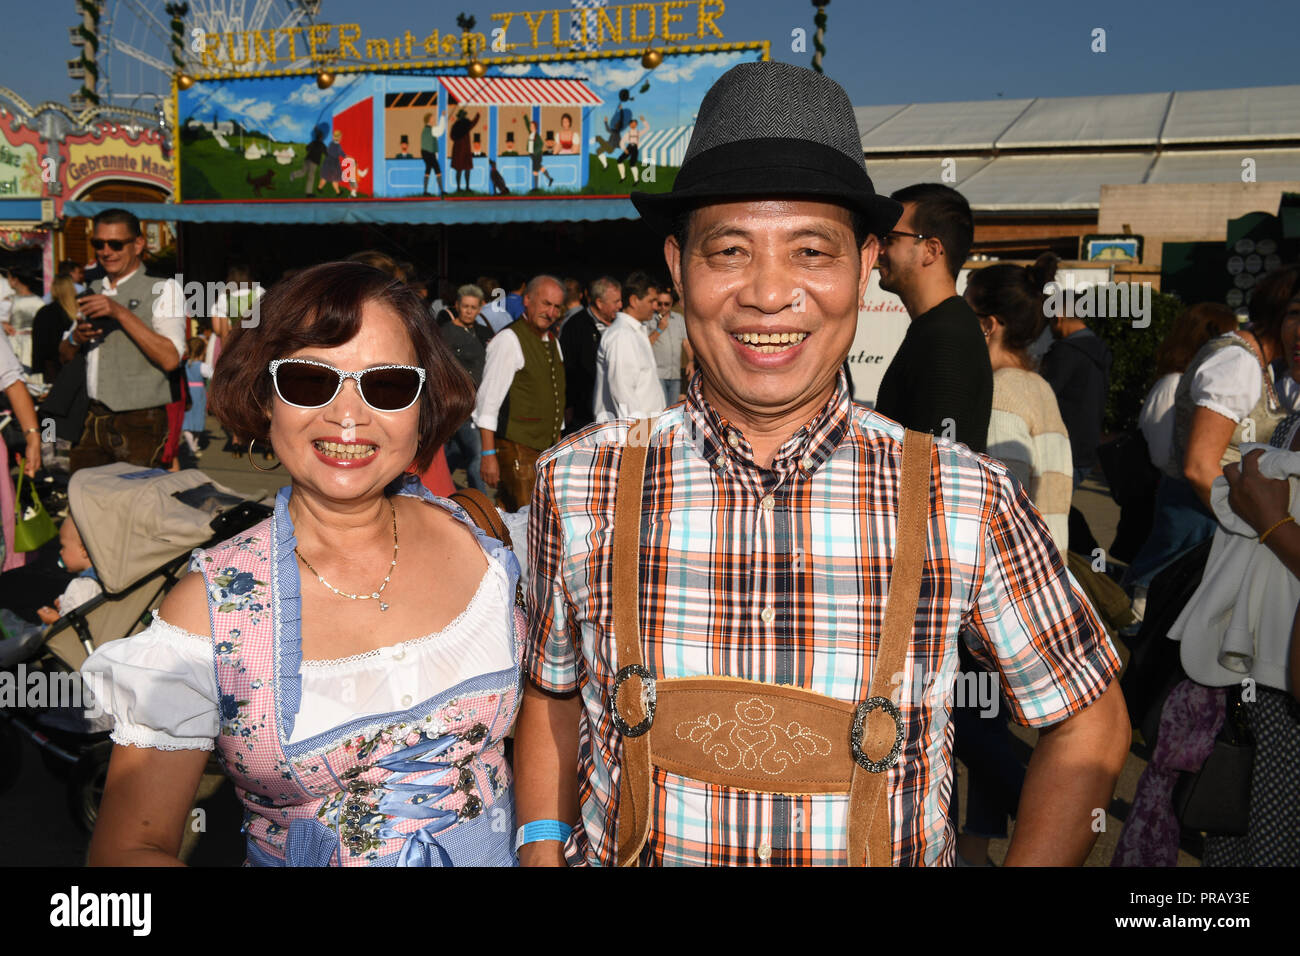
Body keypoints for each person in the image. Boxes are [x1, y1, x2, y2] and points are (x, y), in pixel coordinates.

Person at [513, 60, 1129, 868]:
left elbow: (1090, 719)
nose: (769, 294)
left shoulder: (962, 497)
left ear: (867, 262)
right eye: (729, 251)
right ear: (676, 264)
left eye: (812, 252)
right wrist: (540, 850)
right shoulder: (578, 481)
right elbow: (554, 699)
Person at [81, 261, 524, 867]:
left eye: (387, 386)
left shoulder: (487, 546)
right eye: (310, 381)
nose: (348, 415)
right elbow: (128, 851)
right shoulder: (208, 612)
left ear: (424, 405)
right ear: (266, 399)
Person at [1123, 302, 1239, 598]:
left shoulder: (1197, 385)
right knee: (1156, 581)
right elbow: (1163, 455)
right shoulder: (1173, 384)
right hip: (1183, 501)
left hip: (1193, 499)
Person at [57, 208, 185, 473]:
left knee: (133, 508)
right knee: (84, 502)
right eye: (98, 244)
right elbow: (65, 355)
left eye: (115, 244)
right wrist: (75, 338)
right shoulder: (92, 290)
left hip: (140, 420)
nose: (106, 251)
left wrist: (118, 312)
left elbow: (171, 358)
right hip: (91, 416)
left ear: (138, 244)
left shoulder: (164, 288)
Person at [965, 255, 1073, 553]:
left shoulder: (1000, 393)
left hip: (1013, 583)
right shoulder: (1037, 387)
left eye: (965, 313)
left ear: (988, 325)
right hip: (1046, 571)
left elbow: (1005, 513)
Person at [874, 183, 992, 454]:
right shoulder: (937, 327)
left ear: (931, 249)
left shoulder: (948, 337)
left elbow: (939, 465)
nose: (880, 250)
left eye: (890, 239)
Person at [1173, 264, 1299, 510]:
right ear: (1280, 318)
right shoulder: (1238, 361)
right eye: (1294, 313)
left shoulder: (1261, 364)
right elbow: (1199, 467)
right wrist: (1253, 525)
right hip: (1206, 517)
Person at [473, 275, 565, 511]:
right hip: (516, 449)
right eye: (545, 303)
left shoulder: (553, 341)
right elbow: (487, 402)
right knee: (525, 521)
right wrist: (488, 454)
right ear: (528, 300)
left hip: (544, 451)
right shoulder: (509, 339)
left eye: (556, 306)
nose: (551, 312)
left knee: (529, 522)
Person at [1040, 281, 1114, 488]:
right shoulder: (1100, 349)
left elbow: (1043, 396)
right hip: (1086, 447)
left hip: (1060, 450)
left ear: (1059, 317)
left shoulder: (1065, 352)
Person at [438, 284, 493, 491]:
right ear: (457, 306)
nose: (469, 311)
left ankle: (438, 487)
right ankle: (482, 503)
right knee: (477, 454)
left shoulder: (484, 332)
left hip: (481, 403)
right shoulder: (446, 333)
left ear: (480, 308)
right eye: (465, 306)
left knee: (457, 452)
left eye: (473, 307)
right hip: (460, 404)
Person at [592, 271, 664, 421]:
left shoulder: (634, 332)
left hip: (641, 432)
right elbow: (622, 392)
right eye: (652, 301)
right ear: (633, 300)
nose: (656, 307)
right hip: (629, 435)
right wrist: (639, 437)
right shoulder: (622, 335)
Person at [560, 276, 621, 431]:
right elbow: (568, 370)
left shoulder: (621, 325)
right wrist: (568, 405)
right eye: (616, 302)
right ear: (599, 303)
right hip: (585, 413)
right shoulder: (576, 326)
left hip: (617, 410)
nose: (620, 306)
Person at [35, 517, 100, 625]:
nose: (60, 552)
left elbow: (73, 629)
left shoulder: (79, 587)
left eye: (63, 546)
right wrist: (65, 602)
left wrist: (55, 620)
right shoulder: (110, 576)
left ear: (84, 550)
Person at [31, 275, 78, 385]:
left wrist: (36, 370)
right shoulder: (77, 312)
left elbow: (38, 344)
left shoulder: (44, 312)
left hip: (51, 368)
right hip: (74, 364)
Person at [649, 287, 690, 405]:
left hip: (675, 374)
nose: (663, 307)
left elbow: (686, 343)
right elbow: (645, 345)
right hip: (658, 374)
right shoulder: (650, 319)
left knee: (672, 409)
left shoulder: (678, 318)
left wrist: (691, 362)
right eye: (659, 304)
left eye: (666, 304)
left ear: (671, 303)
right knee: (661, 409)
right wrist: (659, 329)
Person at [181, 336, 212, 456]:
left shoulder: (184, 364)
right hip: (198, 394)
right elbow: (213, 375)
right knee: (198, 419)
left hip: (187, 392)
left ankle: (191, 447)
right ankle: (193, 446)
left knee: (187, 420)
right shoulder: (202, 366)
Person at [450, 109, 481, 192]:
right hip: (466, 149)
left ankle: (458, 188)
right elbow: (474, 123)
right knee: (467, 168)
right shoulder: (466, 124)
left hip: (457, 150)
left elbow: (451, 137)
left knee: (459, 169)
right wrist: (478, 114)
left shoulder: (455, 126)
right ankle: (467, 187)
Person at [420, 109, 446, 196]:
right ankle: (442, 191)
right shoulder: (432, 130)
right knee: (437, 168)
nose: (434, 119)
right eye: (432, 118)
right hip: (429, 153)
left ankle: (425, 191)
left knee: (428, 169)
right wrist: (442, 117)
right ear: (429, 120)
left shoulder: (425, 130)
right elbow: (441, 130)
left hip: (424, 152)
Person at [616, 116, 648, 183]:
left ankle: (636, 180)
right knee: (619, 160)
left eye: (634, 123)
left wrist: (643, 120)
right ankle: (623, 177)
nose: (633, 125)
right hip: (629, 148)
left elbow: (647, 128)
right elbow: (621, 142)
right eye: (632, 123)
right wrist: (624, 149)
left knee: (632, 164)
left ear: (636, 125)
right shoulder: (628, 133)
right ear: (629, 125)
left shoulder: (639, 133)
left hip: (635, 149)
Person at [526, 119, 554, 190]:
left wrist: (534, 152)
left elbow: (541, 144)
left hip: (537, 155)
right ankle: (550, 178)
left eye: (532, 127)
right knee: (540, 167)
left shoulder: (537, 136)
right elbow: (526, 124)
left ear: (535, 128)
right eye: (530, 126)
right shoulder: (531, 134)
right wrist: (525, 117)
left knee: (535, 171)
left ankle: (536, 187)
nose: (531, 128)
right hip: (533, 155)